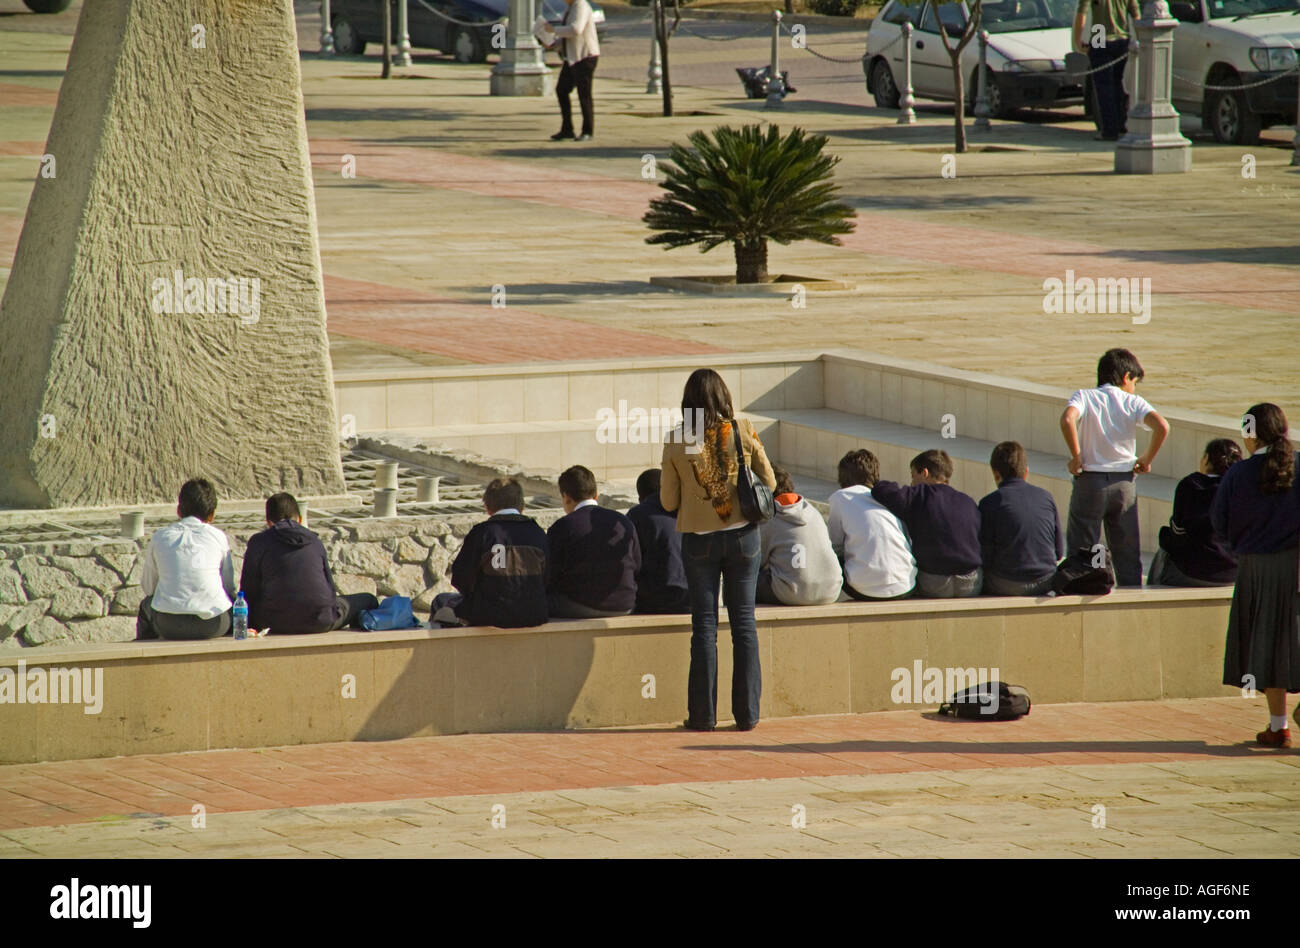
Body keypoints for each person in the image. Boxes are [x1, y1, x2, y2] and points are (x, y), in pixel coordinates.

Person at [661, 368, 776, 731]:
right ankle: (747, 715)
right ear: (723, 395)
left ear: (687, 403)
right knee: (744, 624)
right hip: (743, 538)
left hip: (698, 540)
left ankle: (703, 716)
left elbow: (667, 500)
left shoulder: (677, 439)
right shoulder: (741, 429)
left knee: (704, 626)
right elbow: (770, 481)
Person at [1211, 404, 1300, 748]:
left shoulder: (1238, 474)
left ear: (1250, 434)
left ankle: (1278, 726)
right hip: (1296, 565)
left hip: (1256, 568)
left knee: (1268, 646)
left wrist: (1240, 548)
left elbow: (1220, 522)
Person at [1060, 348, 1170, 587]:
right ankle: (1131, 597)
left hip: (1090, 482)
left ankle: (1084, 592)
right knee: (1127, 551)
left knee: (1084, 549)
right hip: (1124, 484)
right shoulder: (1133, 402)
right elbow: (1162, 426)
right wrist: (1146, 458)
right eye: (1134, 381)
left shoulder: (1084, 396)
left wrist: (1076, 455)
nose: (1134, 387)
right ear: (1125, 377)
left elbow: (1068, 418)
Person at [239, 493, 378, 635]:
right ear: (299, 519)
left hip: (272, 622)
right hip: (320, 621)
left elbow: (248, 589)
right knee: (369, 599)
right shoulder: (314, 540)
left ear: (268, 522)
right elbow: (329, 587)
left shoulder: (259, 542)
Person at [431, 478, 549, 628]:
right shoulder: (537, 533)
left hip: (488, 615)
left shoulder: (482, 533)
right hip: (534, 614)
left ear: (487, 506)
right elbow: (547, 578)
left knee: (441, 601)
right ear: (522, 506)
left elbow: (461, 578)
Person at [872, 449, 983, 598]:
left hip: (934, 583)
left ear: (924, 473)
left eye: (913, 476)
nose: (911, 483)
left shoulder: (920, 495)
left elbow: (881, 490)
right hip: (971, 584)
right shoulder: (968, 501)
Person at [136, 478, 236, 640]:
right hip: (213, 624)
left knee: (146, 604)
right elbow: (228, 586)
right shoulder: (218, 537)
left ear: (179, 511)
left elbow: (149, 588)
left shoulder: (160, 537)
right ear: (212, 515)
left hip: (167, 624)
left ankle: (142, 656)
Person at [546, 465, 640, 618]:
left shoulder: (563, 526)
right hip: (625, 604)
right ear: (596, 494)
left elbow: (551, 573)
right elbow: (636, 565)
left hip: (583, 605)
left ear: (566, 497)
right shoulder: (622, 521)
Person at [1149, 439, 1242, 587]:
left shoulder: (1190, 485)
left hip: (1192, 572)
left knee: (1163, 550)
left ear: (1206, 459)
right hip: (1232, 573)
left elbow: (1178, 530)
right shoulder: (1239, 488)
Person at [827, 449, 917, 601]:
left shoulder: (840, 497)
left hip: (865, 590)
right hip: (906, 585)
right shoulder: (889, 497)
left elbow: (834, 545)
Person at [978, 441, 1064, 596]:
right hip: (1047, 580)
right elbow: (1059, 552)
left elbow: (985, 556)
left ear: (996, 474)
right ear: (1026, 471)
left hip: (1006, 583)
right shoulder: (1046, 498)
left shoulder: (988, 503)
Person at [757, 468, 843, 606]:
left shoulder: (770, 518)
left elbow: (756, 561)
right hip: (831, 590)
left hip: (793, 592)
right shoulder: (813, 512)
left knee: (745, 580)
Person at [1074, 0, 1140, 141]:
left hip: (1100, 35)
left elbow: (1082, 13)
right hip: (1122, 37)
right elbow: (1136, 14)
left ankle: (1110, 130)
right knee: (1117, 83)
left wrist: (1077, 40)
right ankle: (1120, 123)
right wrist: (1140, 39)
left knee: (1104, 86)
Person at [626, 468, 690, 614]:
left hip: (654, 602)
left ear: (640, 498)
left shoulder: (638, 515)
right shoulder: (688, 509)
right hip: (693, 599)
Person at [543, 0, 600, 141]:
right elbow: (568, 34)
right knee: (561, 90)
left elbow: (576, 29)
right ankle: (567, 129)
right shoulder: (570, 8)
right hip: (572, 58)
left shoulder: (581, 6)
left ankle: (588, 131)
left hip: (585, 56)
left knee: (584, 94)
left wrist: (553, 30)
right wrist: (554, 44)